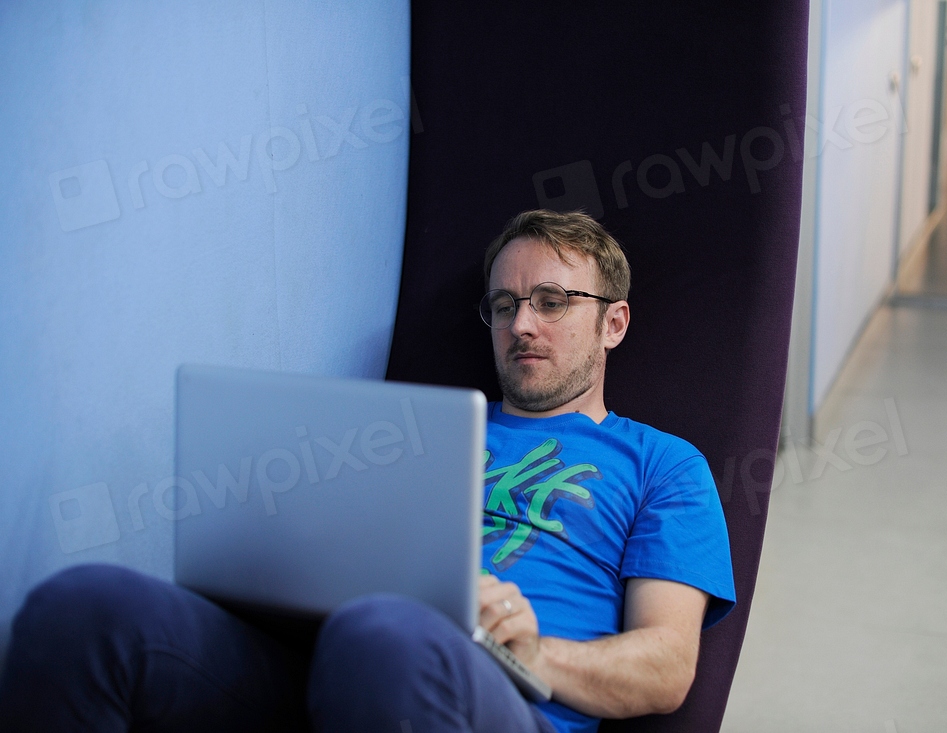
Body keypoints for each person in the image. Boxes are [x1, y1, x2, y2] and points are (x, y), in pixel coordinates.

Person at [0, 210, 735, 733]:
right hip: (325, 657)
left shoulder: (664, 465)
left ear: (614, 322)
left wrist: (535, 651)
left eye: (552, 302)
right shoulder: (404, 432)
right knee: (83, 607)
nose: (522, 325)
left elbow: (667, 668)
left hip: (498, 694)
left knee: (384, 635)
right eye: (505, 304)